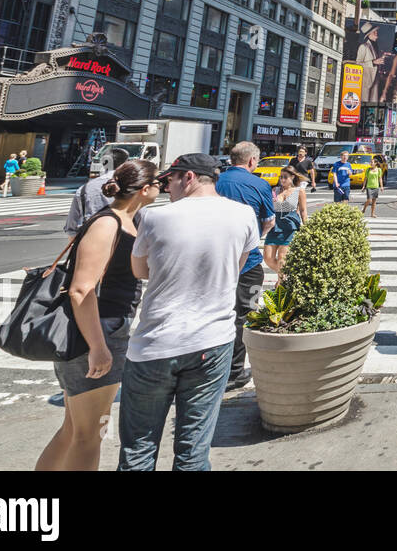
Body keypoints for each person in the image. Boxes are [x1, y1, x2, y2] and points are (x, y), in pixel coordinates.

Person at [118, 154, 260, 471]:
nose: (167, 187)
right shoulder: (244, 215)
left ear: (189, 177)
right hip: (213, 342)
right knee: (193, 451)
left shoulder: (154, 218)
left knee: (138, 451)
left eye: (170, 180)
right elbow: (237, 268)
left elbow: (140, 270)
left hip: (155, 344)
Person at [37, 159, 160, 471]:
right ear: (144, 190)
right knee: (90, 434)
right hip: (98, 329)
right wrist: (98, 347)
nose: (162, 187)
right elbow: (81, 290)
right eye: (158, 182)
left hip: (106, 326)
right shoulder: (108, 223)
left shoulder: (128, 221)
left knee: (75, 430)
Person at [215, 140, 277, 391]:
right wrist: (255, 239)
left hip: (214, 260)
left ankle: (211, 368)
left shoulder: (214, 182)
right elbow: (269, 221)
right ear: (252, 161)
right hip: (248, 263)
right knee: (244, 314)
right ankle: (234, 371)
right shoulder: (260, 184)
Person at [65, 147, 131, 239]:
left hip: (90, 240)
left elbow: (71, 228)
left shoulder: (84, 189)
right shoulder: (131, 186)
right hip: (123, 240)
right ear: (125, 164)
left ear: (104, 164)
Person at [264, 164, 307, 272]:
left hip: (290, 228)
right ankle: (285, 277)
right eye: (281, 177)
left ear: (292, 177)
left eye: (285, 177)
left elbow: (303, 210)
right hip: (275, 227)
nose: (282, 179)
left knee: (282, 259)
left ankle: (281, 284)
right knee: (268, 258)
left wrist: (307, 227)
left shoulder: (299, 191)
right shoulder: (275, 190)